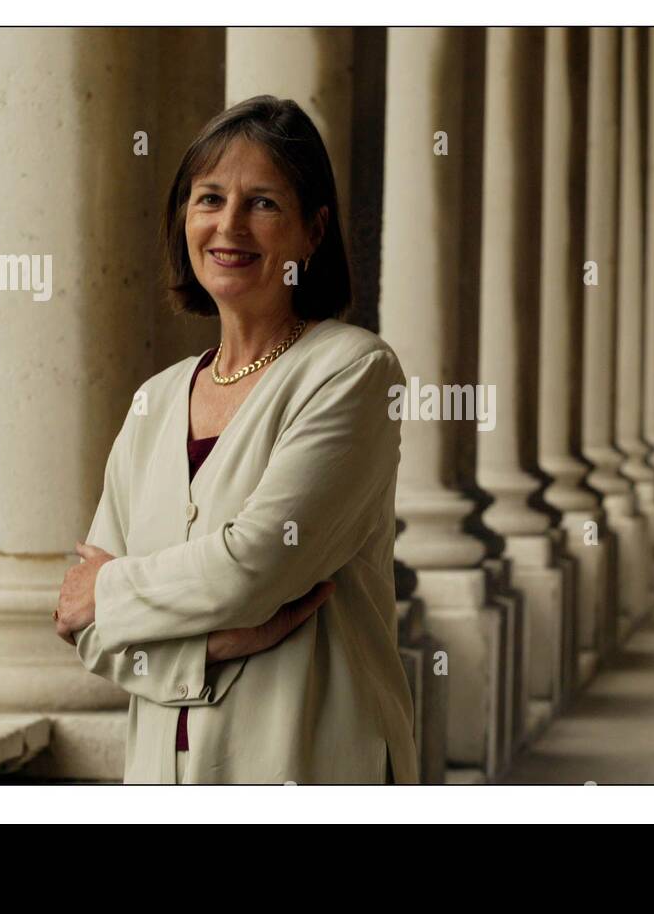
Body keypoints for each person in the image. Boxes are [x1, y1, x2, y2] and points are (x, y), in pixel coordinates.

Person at [52, 95, 419, 784]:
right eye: (209, 198)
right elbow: (88, 631)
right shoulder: (154, 401)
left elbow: (254, 567)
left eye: (263, 204)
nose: (229, 225)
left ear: (313, 232)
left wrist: (113, 587)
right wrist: (215, 644)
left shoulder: (355, 372)